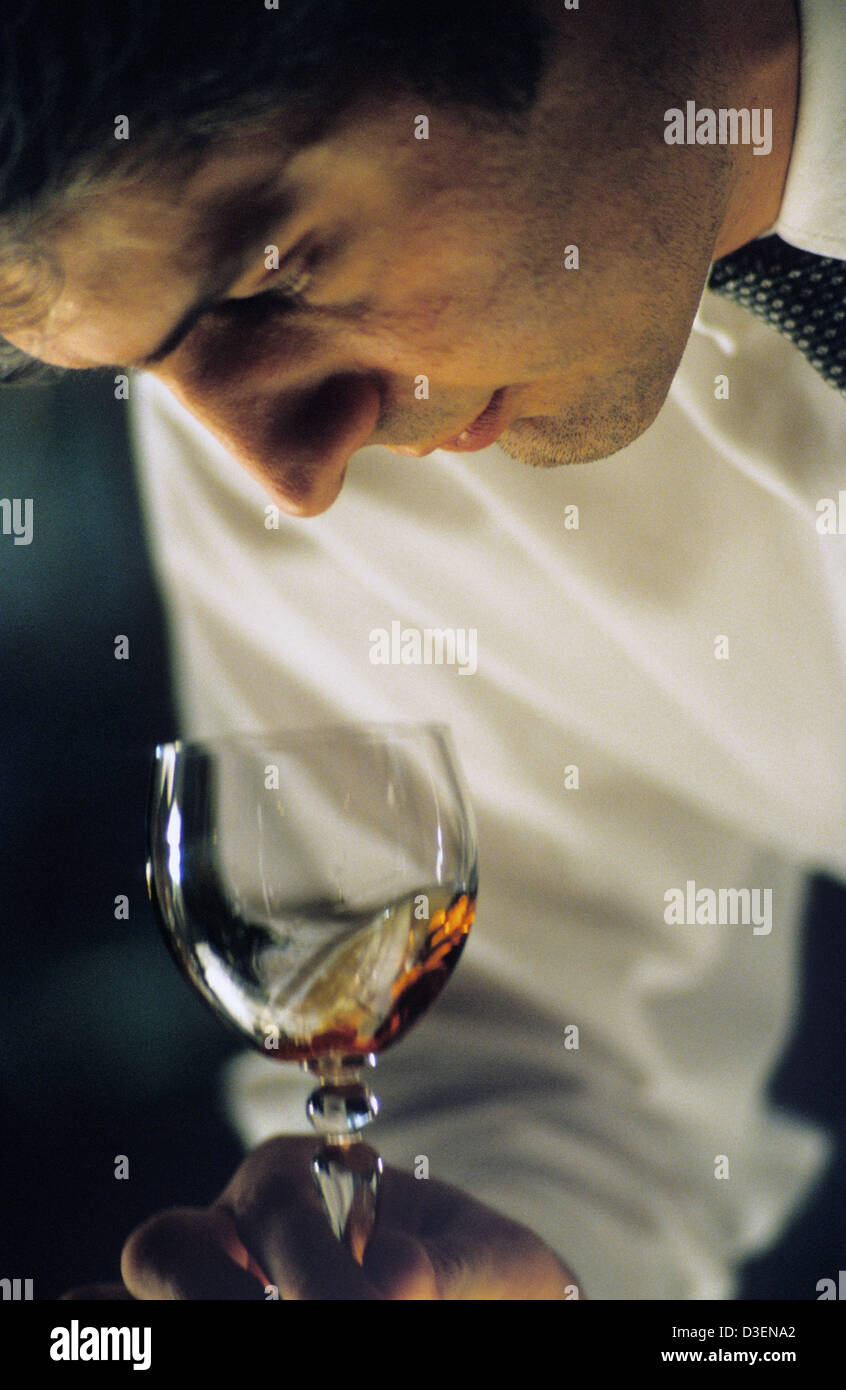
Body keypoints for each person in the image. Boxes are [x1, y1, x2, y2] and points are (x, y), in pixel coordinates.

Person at [3, 0, 844, 1298]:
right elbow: (544, 1065)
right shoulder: (324, 424)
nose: (289, 478)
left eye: (276, 267)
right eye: (132, 359)